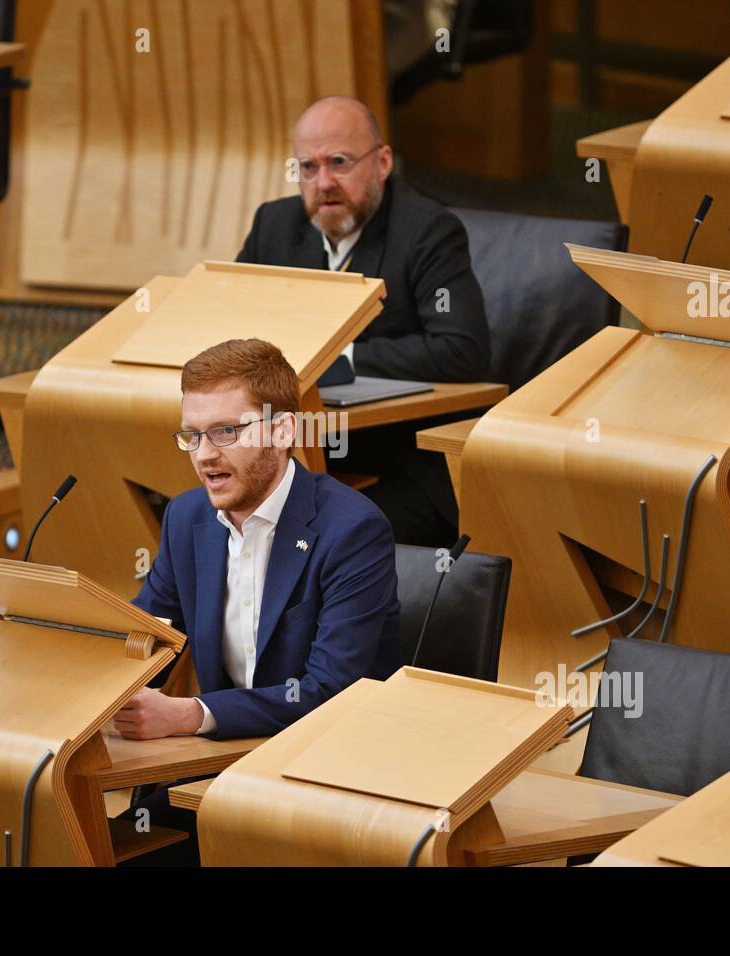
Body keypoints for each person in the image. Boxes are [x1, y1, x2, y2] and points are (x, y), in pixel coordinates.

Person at [237, 95, 489, 545]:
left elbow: (461, 351)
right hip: (289, 453)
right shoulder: (273, 224)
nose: (324, 182)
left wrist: (337, 359)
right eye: (308, 168)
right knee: (203, 513)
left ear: (383, 162)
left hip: (397, 462)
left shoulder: (428, 231)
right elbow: (227, 326)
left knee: (309, 540)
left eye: (339, 162)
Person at [121, 338, 401, 742]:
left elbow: (332, 690)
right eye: (192, 436)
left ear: (283, 430)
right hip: (220, 759)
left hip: (326, 761)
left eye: (224, 432)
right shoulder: (186, 518)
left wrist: (190, 714)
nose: (203, 455)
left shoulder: (353, 530)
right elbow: (148, 639)